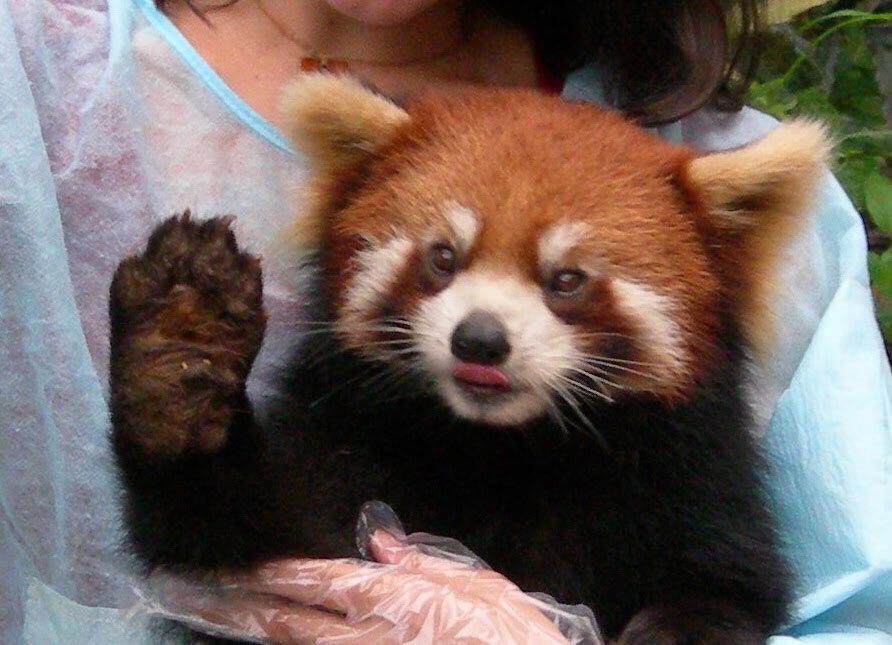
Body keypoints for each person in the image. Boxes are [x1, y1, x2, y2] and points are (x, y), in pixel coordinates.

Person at [0, 0, 889, 642]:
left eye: (568, 282)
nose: (482, 324)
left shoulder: (722, 174)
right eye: (443, 261)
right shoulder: (32, 71)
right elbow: (240, 559)